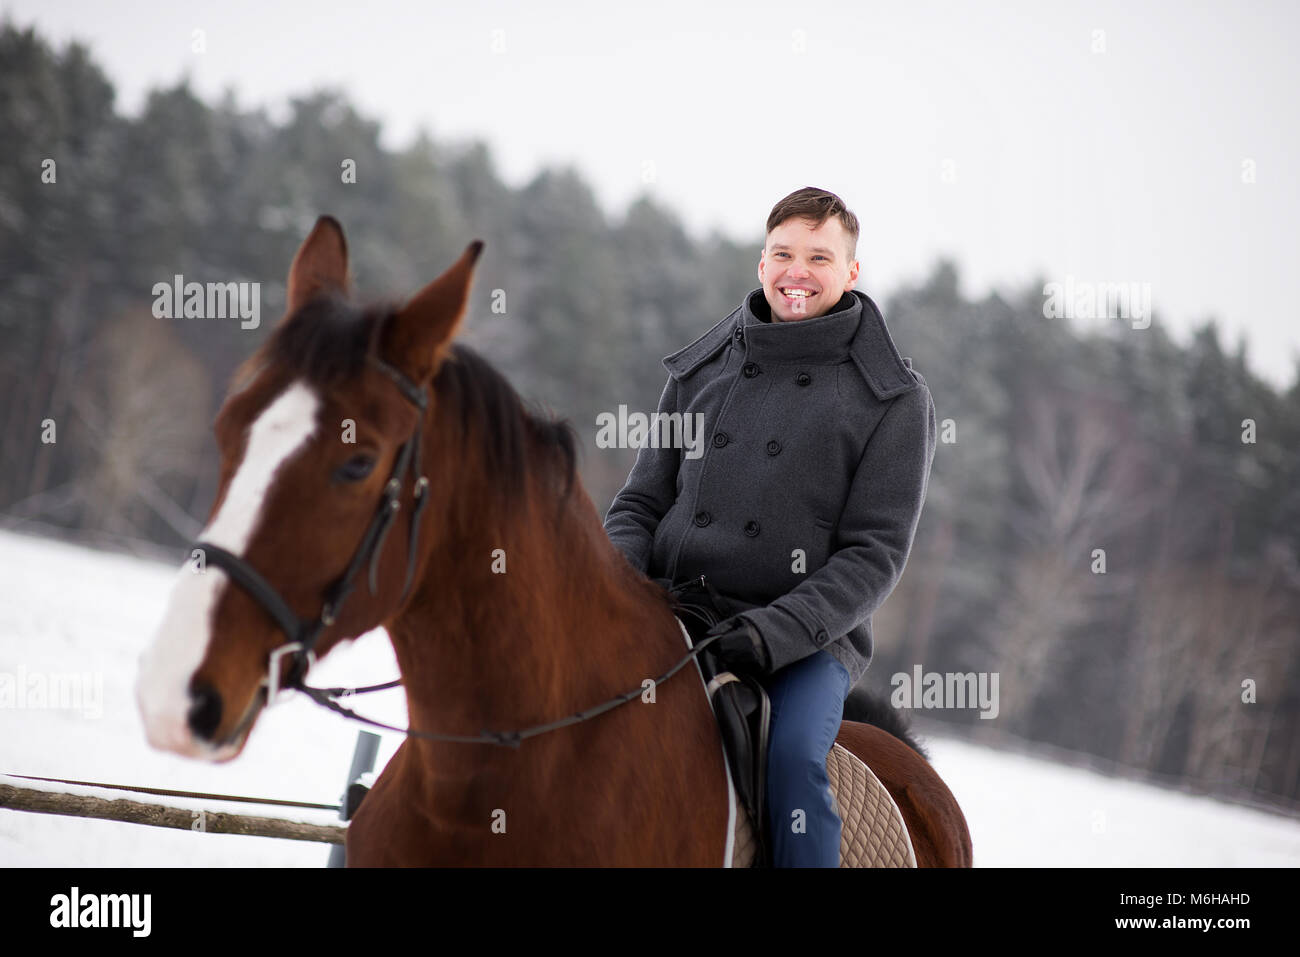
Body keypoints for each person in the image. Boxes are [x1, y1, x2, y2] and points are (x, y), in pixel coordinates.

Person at [603, 186, 937, 867]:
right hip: (672, 609)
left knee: (789, 761)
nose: (798, 271)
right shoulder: (698, 369)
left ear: (851, 273)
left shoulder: (893, 399)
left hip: (802, 641)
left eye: (820, 256)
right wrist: (616, 590)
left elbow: (873, 556)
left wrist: (770, 632)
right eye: (784, 253)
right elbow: (638, 506)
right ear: (761, 264)